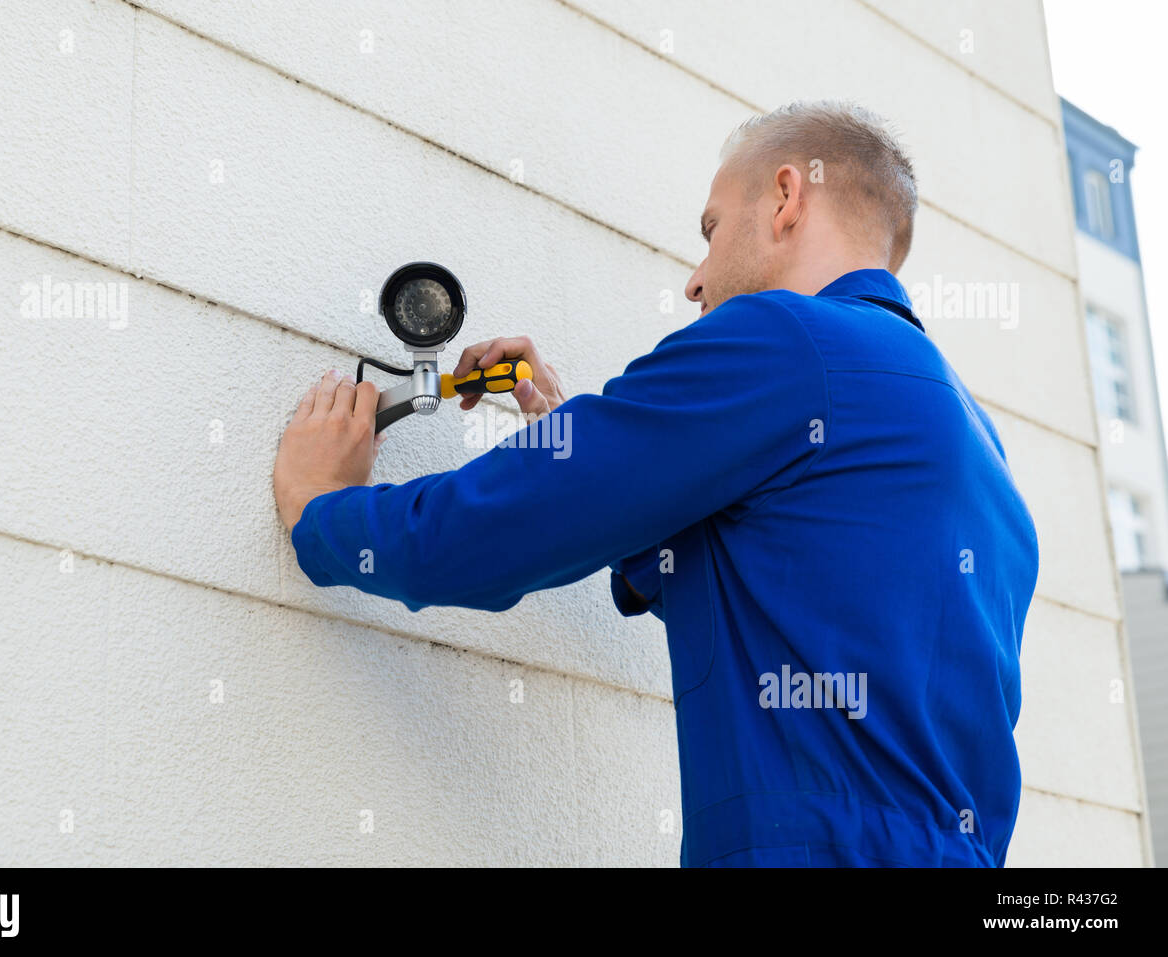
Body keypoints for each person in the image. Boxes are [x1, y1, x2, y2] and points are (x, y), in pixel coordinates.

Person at [272, 100, 1040, 867]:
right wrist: (574, 433)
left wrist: (325, 514)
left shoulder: (788, 339)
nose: (696, 281)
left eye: (710, 230)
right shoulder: (974, 444)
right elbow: (768, 589)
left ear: (785, 197)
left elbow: (497, 532)